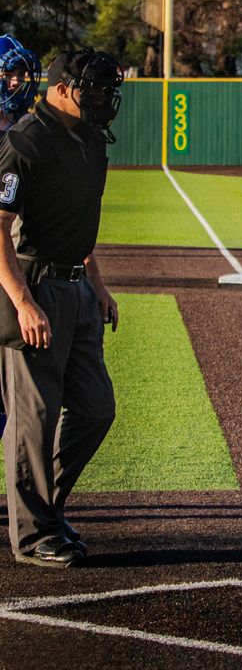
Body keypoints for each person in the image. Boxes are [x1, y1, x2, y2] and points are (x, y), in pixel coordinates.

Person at [0, 48, 123, 568]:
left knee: (95, 408)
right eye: (92, 90)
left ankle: (46, 510)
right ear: (63, 87)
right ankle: (32, 535)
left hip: (76, 290)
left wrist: (98, 284)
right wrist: (23, 302)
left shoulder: (92, 141)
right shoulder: (25, 140)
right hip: (32, 286)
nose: (101, 100)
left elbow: (83, 222)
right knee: (36, 414)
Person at [0, 35, 41, 442]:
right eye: (8, 74)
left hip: (17, 265)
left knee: (14, 396)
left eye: (20, 74)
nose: (17, 82)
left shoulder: (29, 131)